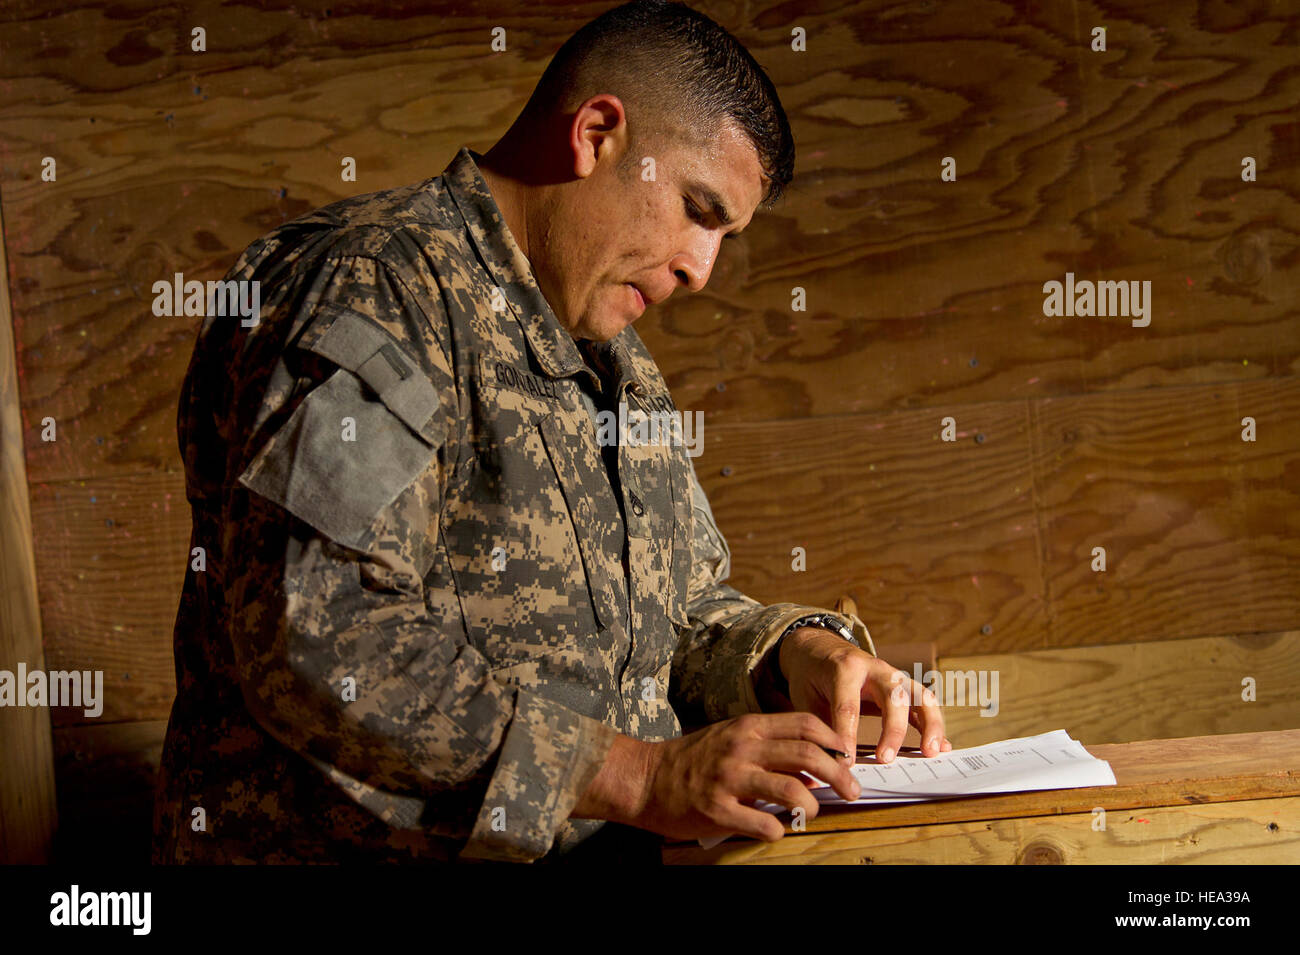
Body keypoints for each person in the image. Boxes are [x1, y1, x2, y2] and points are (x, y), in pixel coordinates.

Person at [152, 0, 949, 865]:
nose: (701, 268)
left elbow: (670, 613)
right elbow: (322, 636)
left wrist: (793, 652)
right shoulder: (379, 289)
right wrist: (641, 777)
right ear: (598, 133)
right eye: (696, 208)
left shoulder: (611, 357)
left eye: (723, 234)